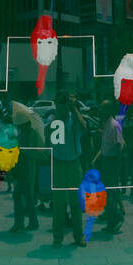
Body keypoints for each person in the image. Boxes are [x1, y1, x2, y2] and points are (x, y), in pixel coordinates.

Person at [50, 91, 88, 248]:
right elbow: (52, 141)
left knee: (76, 203)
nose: (61, 107)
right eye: (59, 104)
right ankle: (57, 237)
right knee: (59, 204)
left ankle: (79, 236)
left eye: (64, 103)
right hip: (58, 164)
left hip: (73, 164)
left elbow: (84, 127)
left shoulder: (74, 121)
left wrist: (73, 108)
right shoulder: (54, 122)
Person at [93, 101, 124, 235]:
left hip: (111, 162)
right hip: (106, 161)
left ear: (109, 110)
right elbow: (106, 146)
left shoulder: (113, 125)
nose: (100, 111)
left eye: (103, 109)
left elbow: (120, 146)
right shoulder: (106, 125)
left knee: (109, 194)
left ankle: (115, 219)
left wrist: (114, 165)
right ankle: (113, 219)